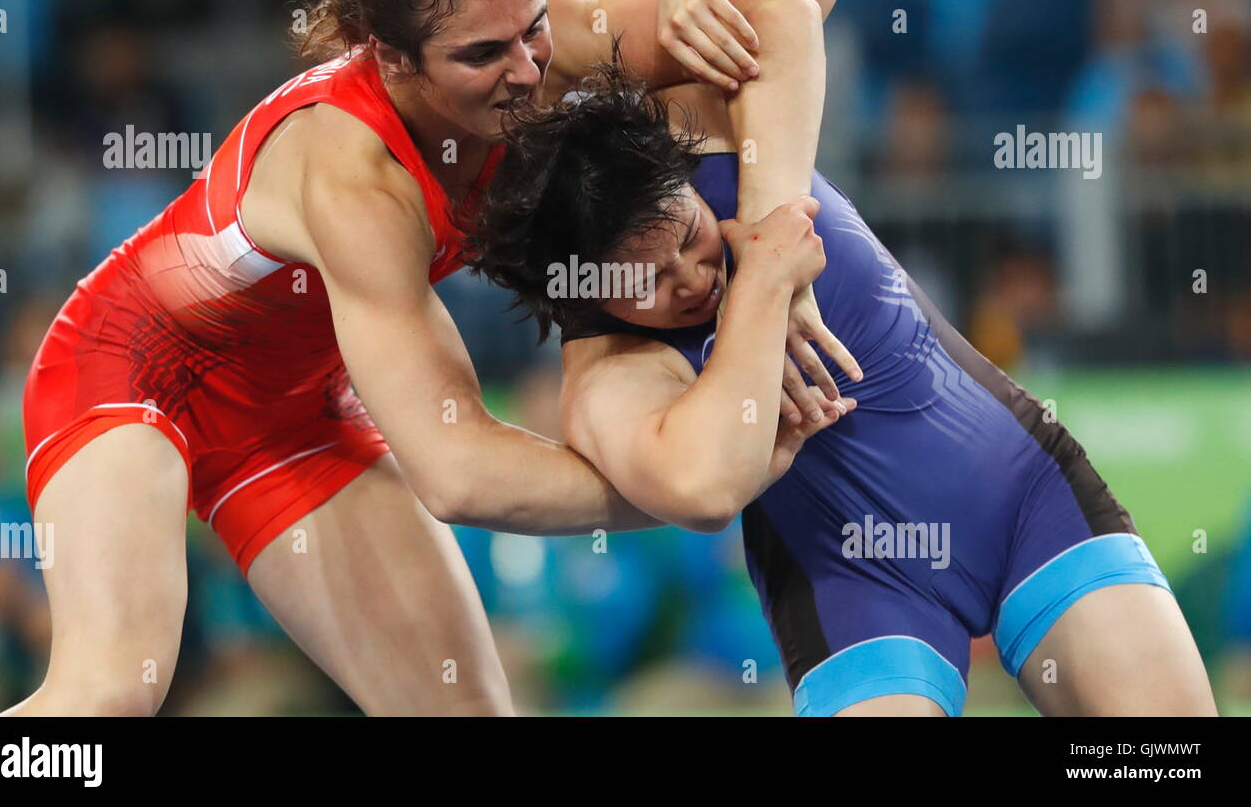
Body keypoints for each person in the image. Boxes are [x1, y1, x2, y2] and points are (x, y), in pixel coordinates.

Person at [4, 0, 859, 716]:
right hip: (130, 369)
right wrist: (697, 477)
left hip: (295, 409)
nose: (526, 73)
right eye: (482, 56)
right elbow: (458, 474)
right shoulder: (354, 177)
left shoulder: (554, 41)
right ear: (387, 55)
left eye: (530, 29)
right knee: (111, 692)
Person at [466, 56, 1220, 716]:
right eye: (651, 280)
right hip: (851, 585)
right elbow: (698, 490)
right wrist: (765, 280)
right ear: (587, 293)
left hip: (1025, 499)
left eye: (690, 237)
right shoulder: (607, 375)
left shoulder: (736, 153)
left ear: (680, 173)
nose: (693, 279)